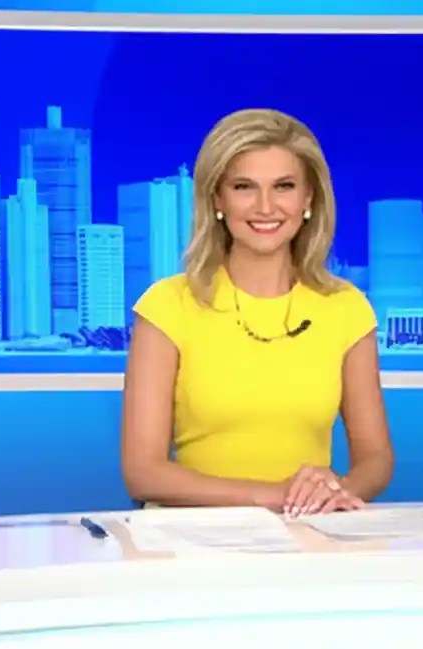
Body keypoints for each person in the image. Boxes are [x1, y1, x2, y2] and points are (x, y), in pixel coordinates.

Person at [121, 108, 393, 516]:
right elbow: (143, 473)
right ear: (217, 198)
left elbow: (376, 459)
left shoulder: (345, 307)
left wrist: (334, 491)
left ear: (308, 198)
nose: (266, 207)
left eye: (284, 186)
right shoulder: (168, 306)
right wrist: (276, 497)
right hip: (191, 539)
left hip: (309, 533)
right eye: (244, 187)